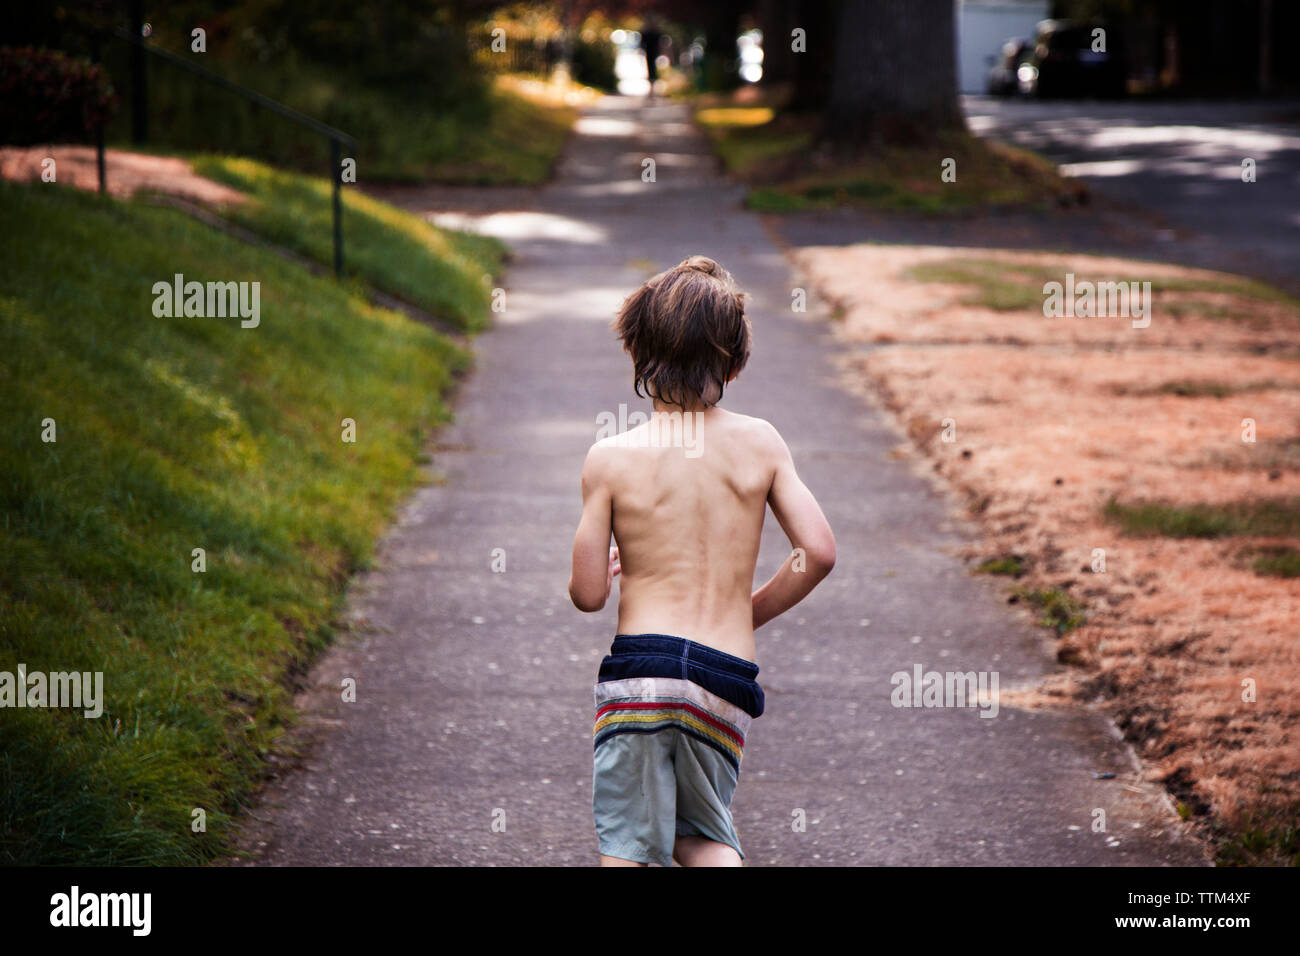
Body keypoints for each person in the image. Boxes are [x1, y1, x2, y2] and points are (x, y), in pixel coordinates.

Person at [569, 255, 836, 866]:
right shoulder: (762, 442)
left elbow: (587, 594)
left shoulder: (609, 458)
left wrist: (603, 560)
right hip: (721, 675)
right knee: (702, 837)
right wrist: (749, 613)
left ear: (637, 351)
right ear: (735, 361)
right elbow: (817, 551)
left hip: (641, 668)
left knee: (627, 842)